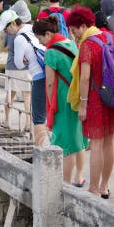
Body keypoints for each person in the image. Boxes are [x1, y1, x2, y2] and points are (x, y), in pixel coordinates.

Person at [68, 5, 114, 199]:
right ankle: (104, 186)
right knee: (109, 143)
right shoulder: (110, 37)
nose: (73, 35)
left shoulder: (87, 45)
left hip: (95, 98)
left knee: (97, 144)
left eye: (74, 30)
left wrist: (83, 104)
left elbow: (84, 78)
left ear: (82, 26)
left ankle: (93, 187)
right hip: (113, 96)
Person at [36, 17, 87, 184]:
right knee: (78, 139)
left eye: (40, 38)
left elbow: (50, 82)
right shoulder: (70, 42)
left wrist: (51, 105)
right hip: (77, 96)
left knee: (66, 145)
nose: (40, 42)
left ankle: (65, 182)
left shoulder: (51, 52)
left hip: (63, 99)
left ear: (48, 34)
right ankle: (79, 177)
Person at [0, 8, 47, 145]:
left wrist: (25, 59)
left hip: (38, 77)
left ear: (13, 24)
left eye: (6, 30)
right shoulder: (31, 28)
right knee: (42, 112)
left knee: (38, 119)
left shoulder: (19, 38)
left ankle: (40, 149)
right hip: (47, 72)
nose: (6, 33)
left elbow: (19, 64)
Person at [3, 0, 33, 131]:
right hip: (26, 67)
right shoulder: (30, 29)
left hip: (11, 65)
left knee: (10, 94)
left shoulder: (10, 27)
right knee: (27, 95)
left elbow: (6, 45)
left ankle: (7, 121)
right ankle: (28, 122)